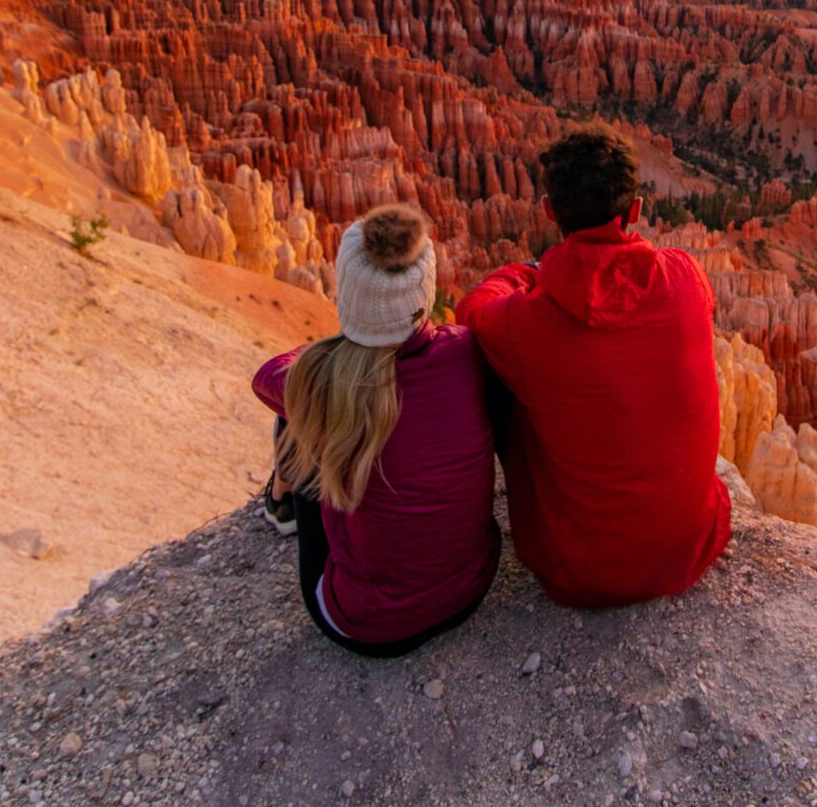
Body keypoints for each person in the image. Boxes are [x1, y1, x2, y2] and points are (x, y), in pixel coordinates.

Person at [456, 123, 729, 608]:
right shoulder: (687, 277)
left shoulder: (527, 323)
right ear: (637, 211)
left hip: (574, 569)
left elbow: (471, 309)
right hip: (689, 549)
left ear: (549, 213)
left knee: (493, 367)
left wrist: (527, 272)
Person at [252, 203, 500, 657]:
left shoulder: (319, 381)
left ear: (348, 292)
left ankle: (281, 507)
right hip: (473, 589)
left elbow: (266, 376)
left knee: (294, 414)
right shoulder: (464, 350)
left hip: (367, 626)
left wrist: (334, 349)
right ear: (424, 288)